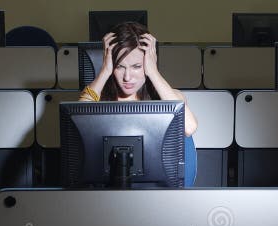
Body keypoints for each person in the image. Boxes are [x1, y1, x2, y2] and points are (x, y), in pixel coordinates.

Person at [79, 21, 198, 185]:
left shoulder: (166, 96)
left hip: (155, 192)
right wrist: (105, 70)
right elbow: (76, 122)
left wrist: (153, 72)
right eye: (120, 67)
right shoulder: (98, 97)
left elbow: (189, 127)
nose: (127, 77)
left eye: (136, 66)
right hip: (108, 191)